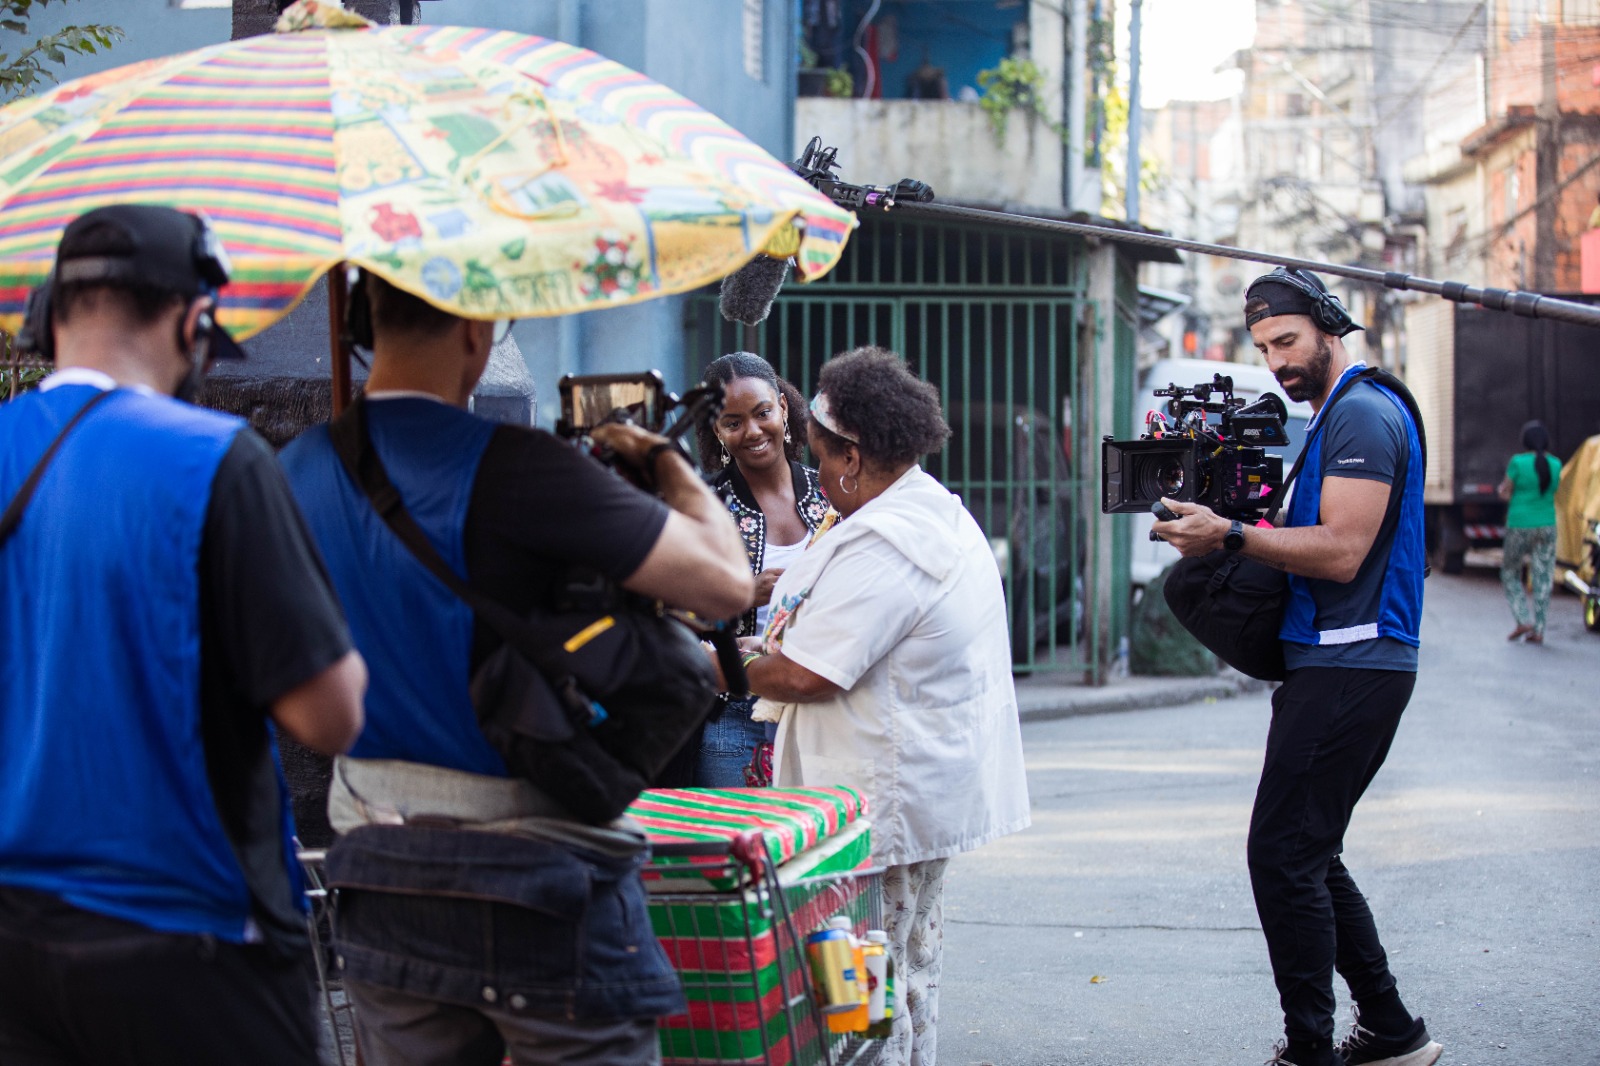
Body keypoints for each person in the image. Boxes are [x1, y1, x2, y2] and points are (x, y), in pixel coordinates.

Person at [279, 271, 752, 1066]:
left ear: (362, 327)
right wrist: (667, 464)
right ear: (475, 331)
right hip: (537, 885)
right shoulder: (517, 464)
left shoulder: (293, 467)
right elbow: (725, 582)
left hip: (378, 873)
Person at [0, 204, 367, 1066]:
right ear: (195, 321)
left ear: (48, 315)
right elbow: (329, 716)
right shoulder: (215, 457)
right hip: (191, 934)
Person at [1154, 268, 1441, 1066]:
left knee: (1282, 856)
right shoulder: (1332, 418)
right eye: (1262, 348)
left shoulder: (1362, 416)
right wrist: (1222, 519)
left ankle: (1311, 1049)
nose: (1276, 360)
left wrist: (1231, 536)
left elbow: (1343, 551)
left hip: (1355, 659)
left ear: (1328, 326)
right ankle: (1390, 1030)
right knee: (1307, 852)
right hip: (1334, 659)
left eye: (1286, 340)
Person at [730, 346, 1032, 1066]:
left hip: (876, 812)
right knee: (903, 968)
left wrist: (718, 663)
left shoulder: (893, 542)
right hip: (901, 798)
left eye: (821, 458)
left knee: (860, 982)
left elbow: (806, 675)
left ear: (853, 457)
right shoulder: (927, 511)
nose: (819, 476)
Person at [691, 352, 829, 786]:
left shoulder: (830, 494)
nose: (752, 431)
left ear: (783, 408)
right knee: (738, 828)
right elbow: (667, 612)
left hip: (822, 703)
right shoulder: (704, 506)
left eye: (762, 413)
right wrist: (743, 594)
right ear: (716, 429)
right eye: (733, 422)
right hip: (737, 712)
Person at [1498, 420, 1562, 643]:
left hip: (1519, 524)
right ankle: (1540, 629)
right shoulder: (1555, 464)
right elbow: (1554, 491)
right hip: (1547, 525)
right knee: (1543, 577)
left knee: (1510, 572)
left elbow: (1506, 492)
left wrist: (1503, 492)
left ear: (1525, 441)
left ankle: (1523, 619)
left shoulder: (1518, 462)